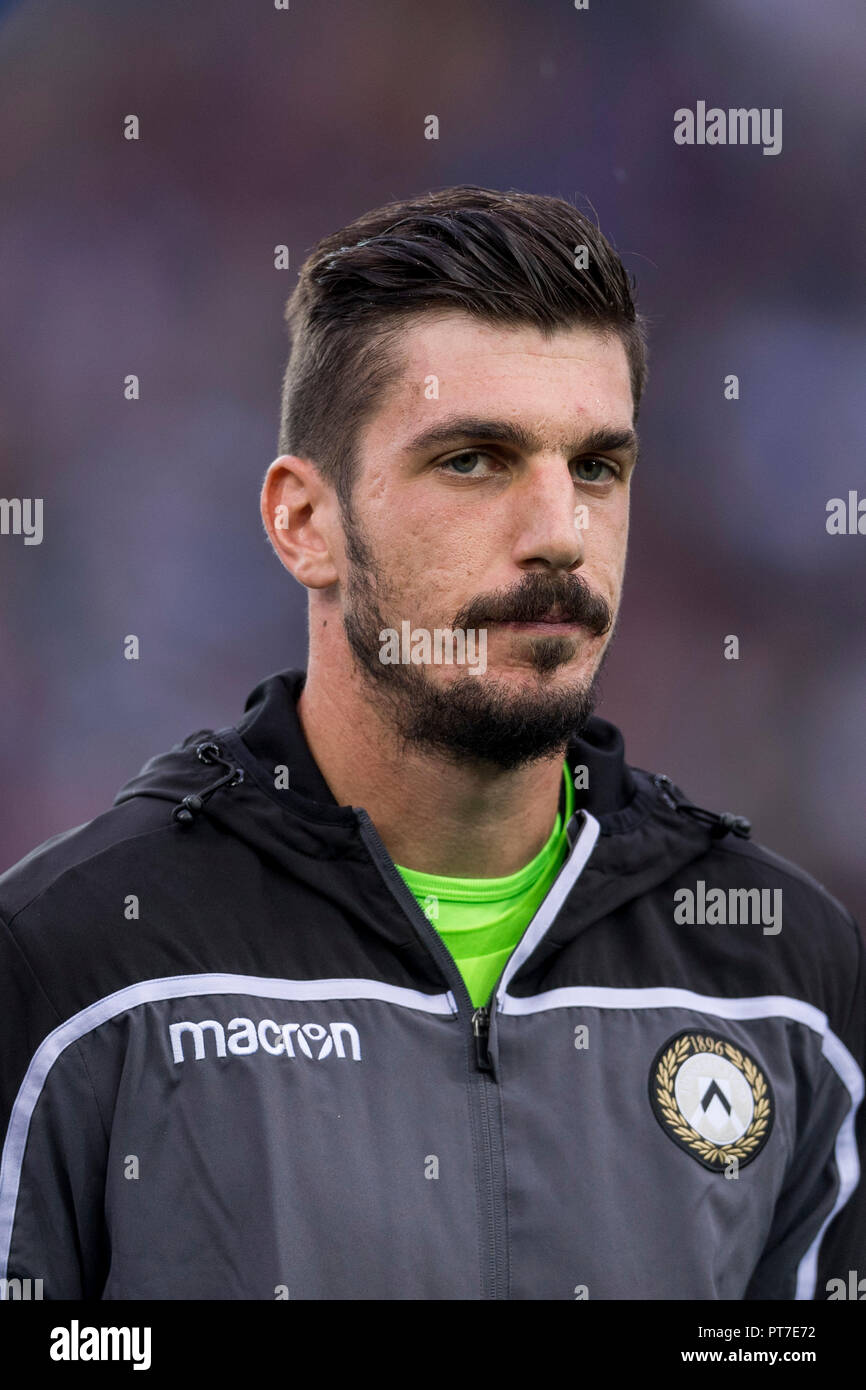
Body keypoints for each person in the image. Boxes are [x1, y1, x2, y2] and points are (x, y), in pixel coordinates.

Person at [0, 186, 862, 1300]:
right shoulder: (74, 966)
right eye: (472, 460)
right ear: (304, 523)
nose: (560, 532)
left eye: (595, 467)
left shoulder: (786, 975)